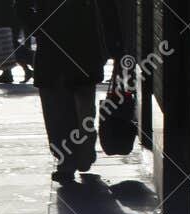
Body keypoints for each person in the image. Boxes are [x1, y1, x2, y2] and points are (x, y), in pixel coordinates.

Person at [18, 0, 121, 182]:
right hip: (61, 48)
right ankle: (69, 158)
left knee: (77, 110)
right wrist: (38, 27)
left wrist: (114, 45)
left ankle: (79, 153)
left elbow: (108, 9)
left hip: (80, 47)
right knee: (60, 110)